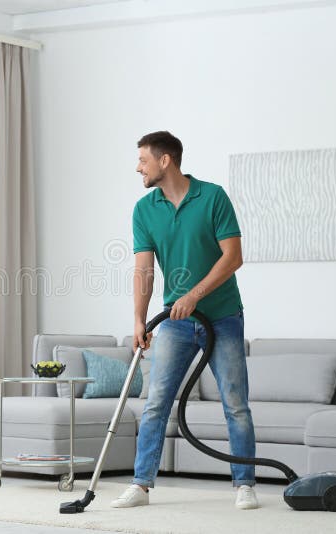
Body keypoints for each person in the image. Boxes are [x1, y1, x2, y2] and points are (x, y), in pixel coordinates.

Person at [111, 131, 258, 510]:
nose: (138, 167)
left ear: (165, 161)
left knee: (235, 404)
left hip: (222, 317)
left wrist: (194, 295)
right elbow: (143, 270)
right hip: (174, 323)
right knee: (157, 402)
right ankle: (141, 486)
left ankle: (245, 484)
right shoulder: (145, 210)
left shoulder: (212, 197)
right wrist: (139, 320)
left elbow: (233, 257)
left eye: (143, 160)